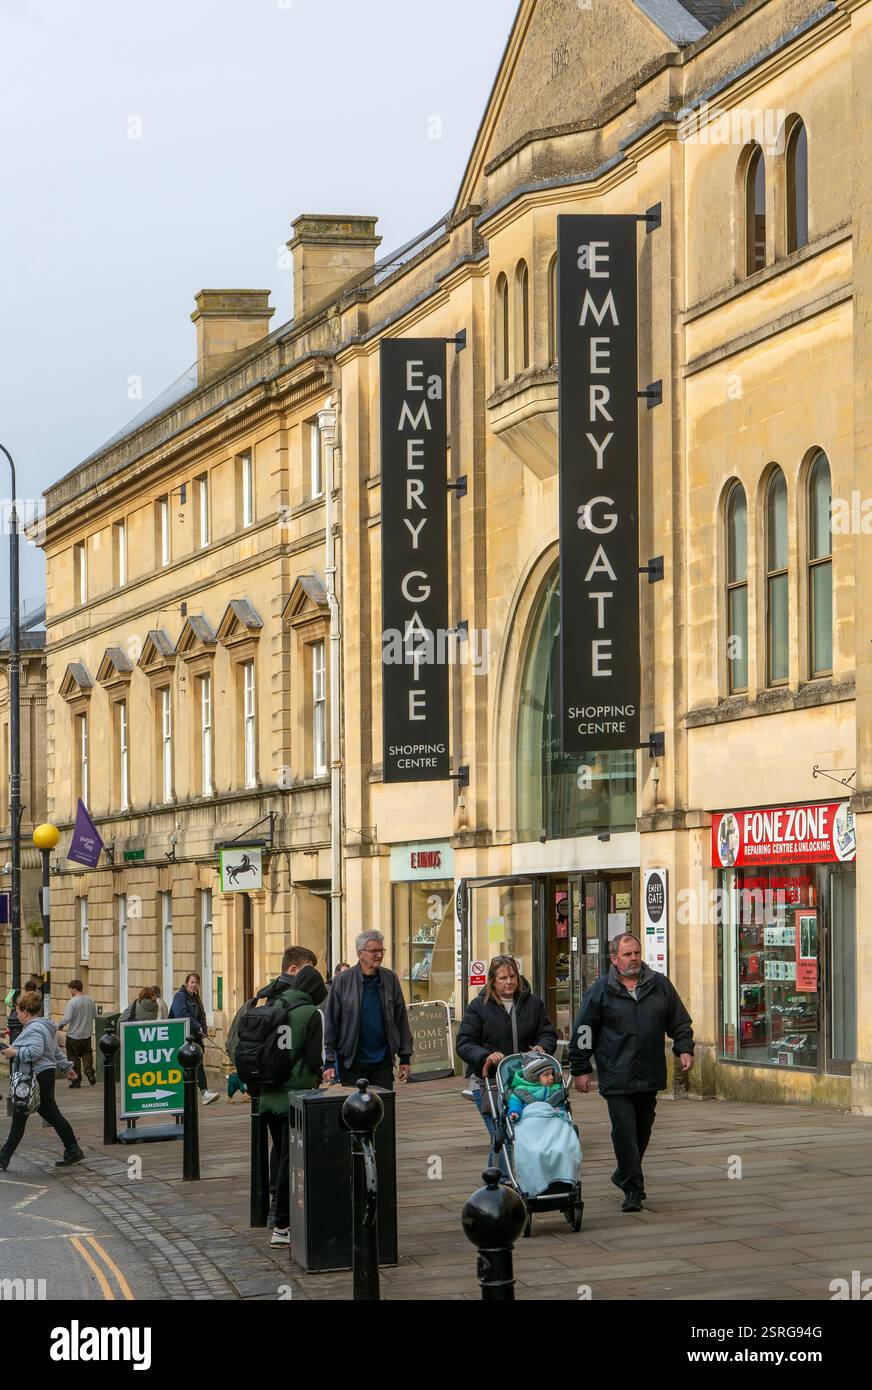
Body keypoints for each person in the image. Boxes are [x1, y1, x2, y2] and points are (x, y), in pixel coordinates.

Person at [568, 932, 694, 1212]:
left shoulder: (659, 985)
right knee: (624, 1130)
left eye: (636, 952)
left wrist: (684, 1048)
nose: (634, 958)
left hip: (648, 1072)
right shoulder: (601, 990)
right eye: (627, 954)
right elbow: (585, 1030)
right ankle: (633, 1189)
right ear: (614, 959)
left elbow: (679, 1020)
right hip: (616, 1074)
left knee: (643, 1128)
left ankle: (624, 1173)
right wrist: (581, 1069)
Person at [456, 954, 557, 1174]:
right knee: (502, 1134)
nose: (509, 981)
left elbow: (547, 1032)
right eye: (503, 978)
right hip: (489, 1082)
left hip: (526, 1082)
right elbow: (464, 1043)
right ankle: (498, 1183)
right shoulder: (478, 1007)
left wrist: (542, 1047)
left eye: (512, 976)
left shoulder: (533, 1003)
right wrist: (485, 1056)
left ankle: (512, 1179)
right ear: (492, 980)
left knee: (521, 1132)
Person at [255, 960, 326, 1249]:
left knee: (279, 1153)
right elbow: (313, 1058)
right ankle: (282, 1224)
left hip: (268, 1092)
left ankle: (274, 1212)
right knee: (289, 1159)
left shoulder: (274, 1002)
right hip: (293, 1095)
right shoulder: (311, 1013)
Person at [0, 990, 84, 1170]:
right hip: (43, 1075)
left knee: (33, 1115)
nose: (18, 1015)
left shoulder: (34, 1028)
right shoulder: (43, 1026)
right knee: (30, 1116)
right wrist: (67, 1068)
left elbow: (36, 1052)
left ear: (25, 1011)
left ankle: (73, 1149)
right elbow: (54, 1050)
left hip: (35, 1077)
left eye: (18, 1011)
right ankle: (4, 1157)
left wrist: (14, 1052)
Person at [323, 931, 412, 1089]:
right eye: (374, 951)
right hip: (351, 1061)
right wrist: (329, 1061)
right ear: (360, 954)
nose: (378, 955)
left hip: (383, 1061)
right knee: (355, 1110)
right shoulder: (342, 981)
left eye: (381, 950)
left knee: (383, 1107)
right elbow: (331, 1022)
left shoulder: (390, 978)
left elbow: (400, 1019)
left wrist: (405, 1057)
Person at [169, 973, 219, 1105]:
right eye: (192, 982)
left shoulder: (197, 999)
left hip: (194, 1037)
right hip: (180, 1037)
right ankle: (185, 1095)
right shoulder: (180, 997)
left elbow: (202, 1016)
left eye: (196, 983)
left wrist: (204, 1029)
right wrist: (197, 1026)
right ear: (186, 983)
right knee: (182, 1067)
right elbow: (181, 1015)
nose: (194, 985)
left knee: (198, 1064)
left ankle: (204, 1093)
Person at [59, 980, 98, 1087]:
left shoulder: (72, 1002)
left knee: (73, 1058)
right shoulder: (90, 1001)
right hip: (86, 1034)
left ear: (75, 989)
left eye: (70, 989)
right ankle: (89, 1071)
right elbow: (96, 1015)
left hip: (73, 1035)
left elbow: (67, 1018)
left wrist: (60, 1025)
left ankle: (76, 1081)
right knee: (87, 1053)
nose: (70, 991)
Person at [507, 1055, 565, 1120]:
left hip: (551, 1118)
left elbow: (560, 1104)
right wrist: (515, 1112)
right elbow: (515, 1103)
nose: (551, 1077)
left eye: (552, 1074)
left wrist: (560, 1109)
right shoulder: (522, 1090)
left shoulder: (555, 1089)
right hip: (530, 1118)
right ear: (534, 1078)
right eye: (546, 1074)